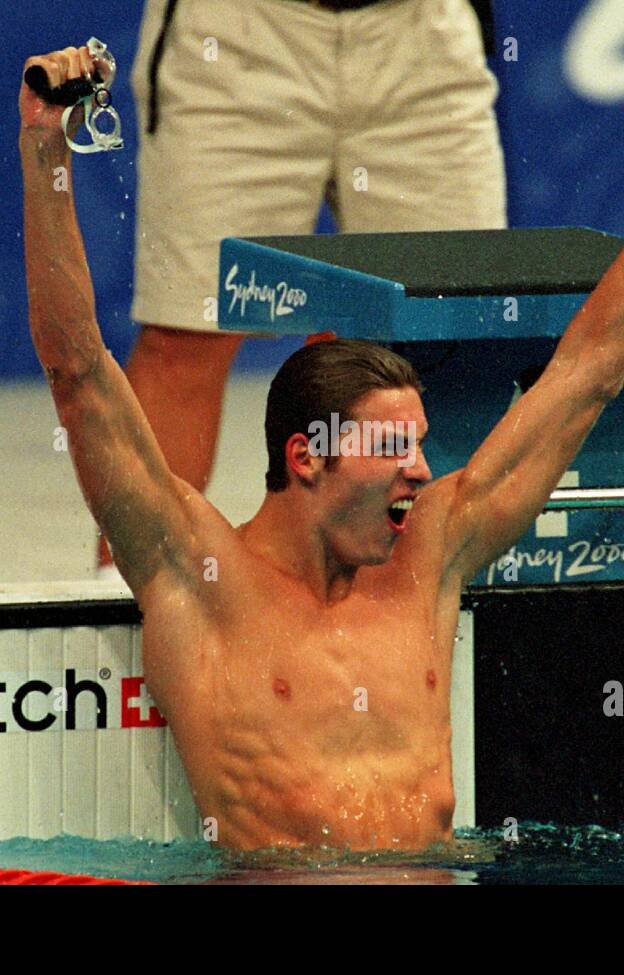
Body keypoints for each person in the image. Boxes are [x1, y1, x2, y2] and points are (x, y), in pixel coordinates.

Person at [19, 45, 624, 850]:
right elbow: (77, 369)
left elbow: (588, 371)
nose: (422, 467)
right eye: (393, 444)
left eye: (419, 443)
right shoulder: (198, 573)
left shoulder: (432, 552)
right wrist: (47, 149)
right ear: (308, 455)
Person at [98, 0, 508, 576]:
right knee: (186, 332)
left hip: (421, 36)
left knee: (449, 334)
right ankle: (131, 603)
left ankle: (445, 602)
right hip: (238, 39)